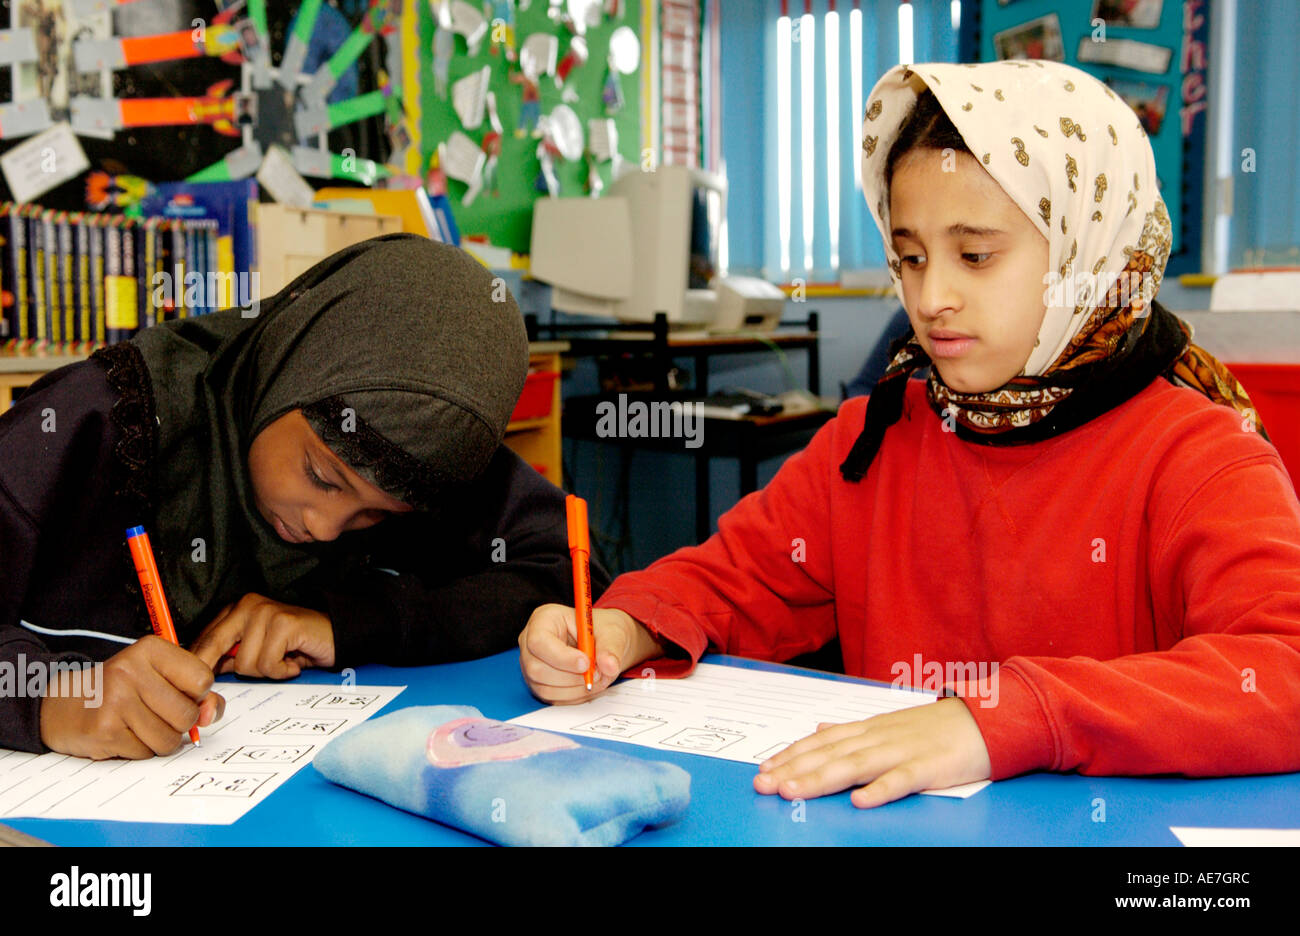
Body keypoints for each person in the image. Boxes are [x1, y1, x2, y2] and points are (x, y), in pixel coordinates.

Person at [518, 60, 1300, 808]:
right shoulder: (873, 436)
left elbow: (1282, 672)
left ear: (1085, 252)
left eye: (976, 255)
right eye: (910, 257)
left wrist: (997, 719)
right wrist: (621, 628)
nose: (932, 297)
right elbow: (731, 578)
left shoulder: (1200, 454)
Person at [1, 234, 606, 758]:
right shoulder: (96, 425)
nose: (325, 527)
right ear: (289, 360)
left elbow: (568, 579)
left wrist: (348, 622)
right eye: (321, 477)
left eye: (376, 515)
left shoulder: (421, 448)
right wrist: (49, 703)